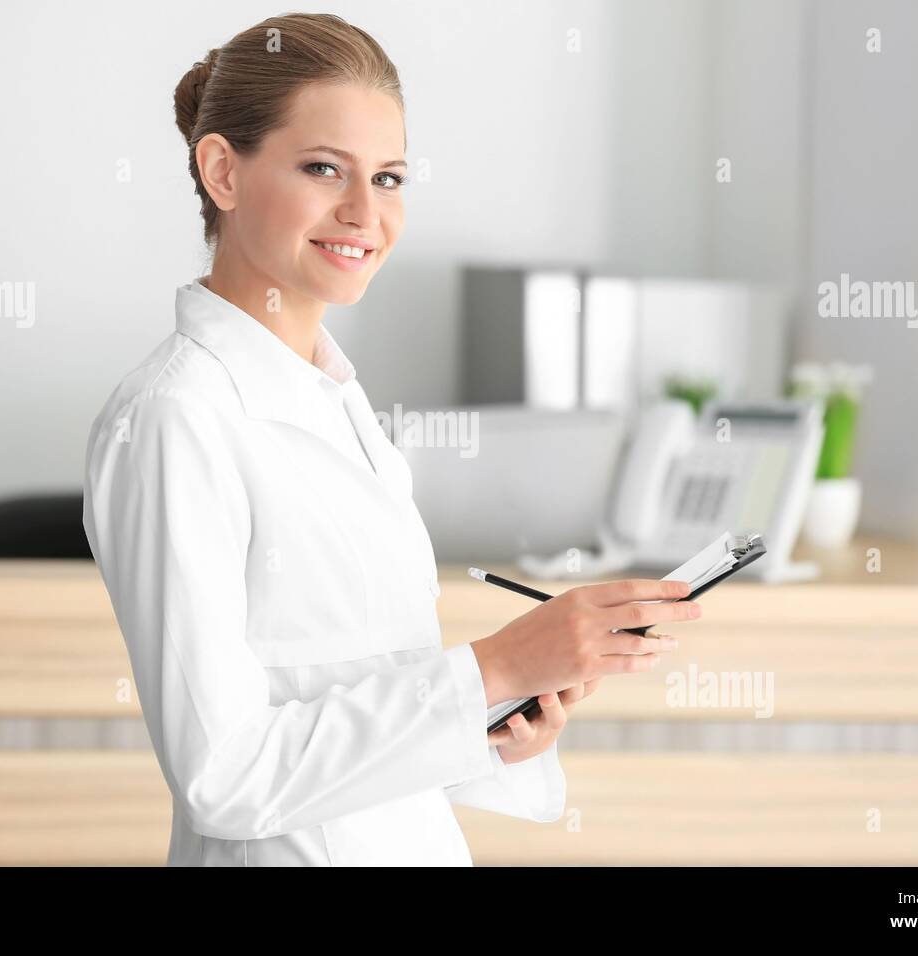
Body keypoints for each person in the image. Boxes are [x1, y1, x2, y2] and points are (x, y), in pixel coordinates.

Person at [82, 12, 696, 867]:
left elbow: (364, 700)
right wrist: (489, 669)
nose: (364, 212)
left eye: (392, 177)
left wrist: (500, 718)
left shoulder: (337, 401)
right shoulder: (173, 417)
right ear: (223, 170)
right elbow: (223, 773)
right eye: (323, 168)